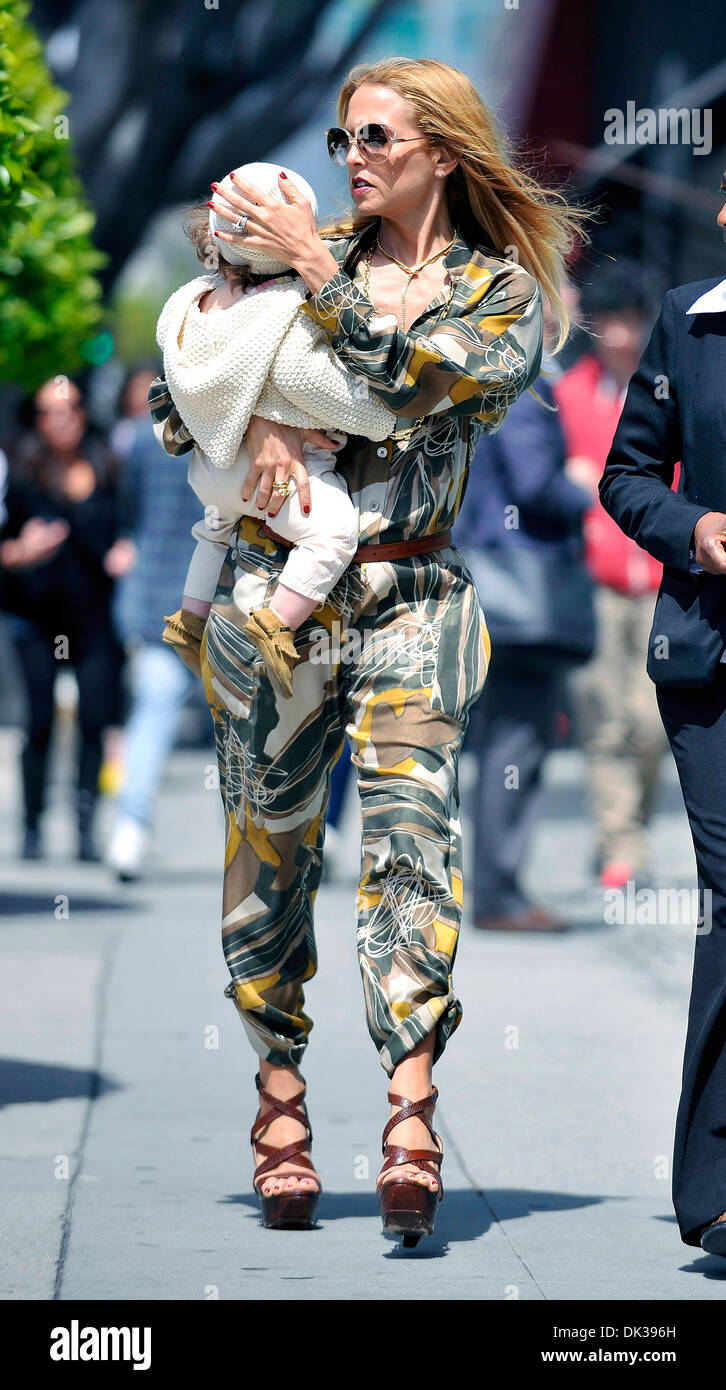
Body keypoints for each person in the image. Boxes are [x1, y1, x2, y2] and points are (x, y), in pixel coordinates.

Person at [151, 56, 583, 1243]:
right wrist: (262, 420)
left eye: (378, 138)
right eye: (343, 139)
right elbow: (172, 388)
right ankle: (279, 1100)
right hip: (271, 593)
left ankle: (411, 1110)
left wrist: (306, 271)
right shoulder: (302, 257)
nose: (351, 160)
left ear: (443, 151)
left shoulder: (500, 295)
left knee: (413, 843)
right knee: (269, 852)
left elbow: (412, 384)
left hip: (415, 596)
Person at [598, 166, 726, 1259]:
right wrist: (695, 529)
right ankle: (718, 1188)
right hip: (713, 668)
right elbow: (627, 476)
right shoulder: (691, 324)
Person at [155, 161, 394, 698]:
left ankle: (188, 617)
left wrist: (243, 413)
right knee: (332, 534)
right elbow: (358, 405)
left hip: (211, 468)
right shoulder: (285, 309)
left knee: (213, 528)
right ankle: (275, 624)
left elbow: (170, 396)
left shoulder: (188, 302)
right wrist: (304, 418)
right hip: (275, 483)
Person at [453, 299, 593, 932]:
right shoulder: (527, 385)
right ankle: (500, 892)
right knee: (517, 739)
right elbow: (537, 484)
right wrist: (585, 486)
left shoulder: (481, 374)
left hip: (492, 582)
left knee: (497, 739)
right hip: (522, 591)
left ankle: (492, 886)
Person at [555, 263, 667, 889]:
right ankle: (618, 842)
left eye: (631, 322)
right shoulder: (570, 394)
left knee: (650, 721)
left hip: (660, 578)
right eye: (610, 323)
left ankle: (634, 827)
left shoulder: (667, 392)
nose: (621, 335)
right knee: (603, 719)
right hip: (592, 578)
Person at [0, 377, 131, 860]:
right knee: (38, 720)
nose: (63, 417)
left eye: (72, 407)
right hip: (35, 618)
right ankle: (32, 826)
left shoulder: (107, 466)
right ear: (36, 420)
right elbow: (4, 546)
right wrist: (20, 552)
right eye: (50, 411)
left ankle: (84, 825)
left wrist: (126, 549)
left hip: (95, 618)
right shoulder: (20, 473)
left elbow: (127, 523)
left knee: (95, 720)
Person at [106, 407, 206, 881]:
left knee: (151, 715)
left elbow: (127, 512)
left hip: (156, 598)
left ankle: (130, 829)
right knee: (251, 730)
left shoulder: (146, 441)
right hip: (225, 598)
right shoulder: (240, 434)